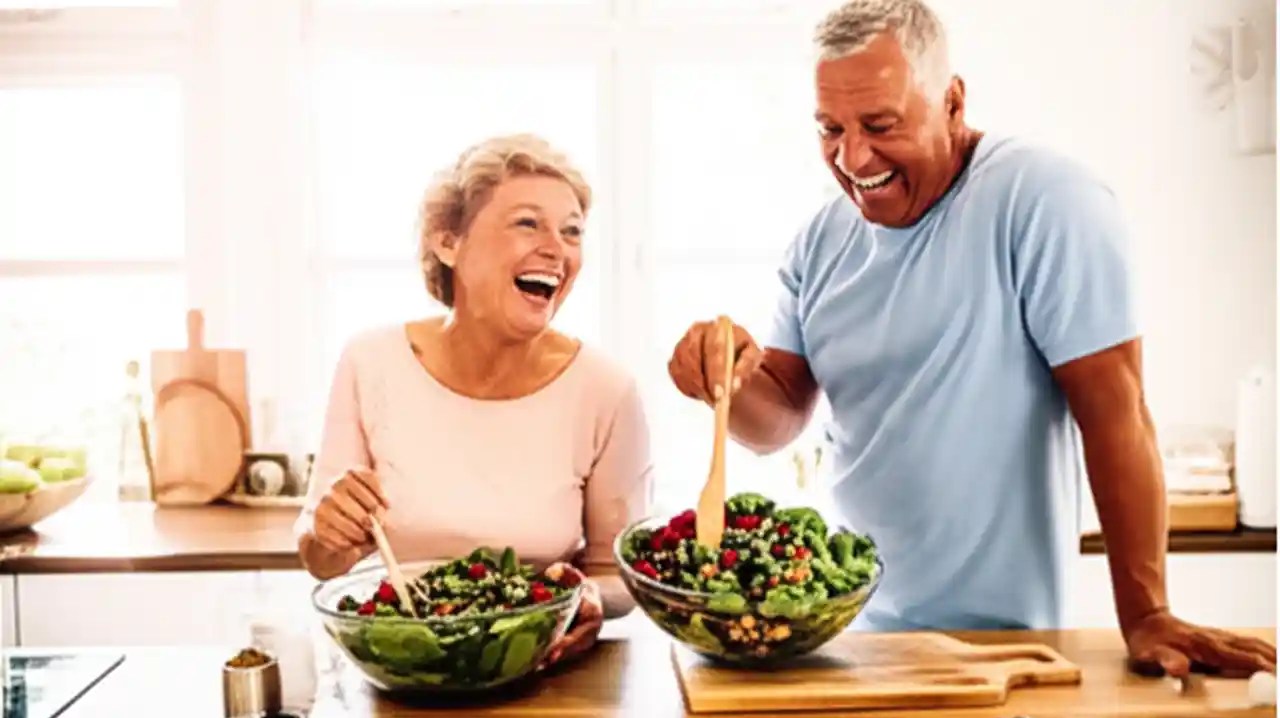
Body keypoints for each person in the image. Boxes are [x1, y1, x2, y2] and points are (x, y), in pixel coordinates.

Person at [667, 0, 1275, 678]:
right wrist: (729, 379)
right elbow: (775, 420)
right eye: (829, 128)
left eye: (880, 124)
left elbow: (1115, 412)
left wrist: (1146, 612)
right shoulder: (820, 242)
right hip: (853, 645)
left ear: (952, 102)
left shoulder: (1043, 201)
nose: (852, 156)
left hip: (1009, 648)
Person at [295, 133, 653, 666]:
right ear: (449, 242)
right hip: (403, 666)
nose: (557, 247)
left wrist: (590, 598)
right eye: (528, 223)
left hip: (539, 673)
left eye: (572, 231)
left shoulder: (606, 390)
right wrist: (329, 532)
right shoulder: (371, 362)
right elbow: (322, 558)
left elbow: (616, 570)